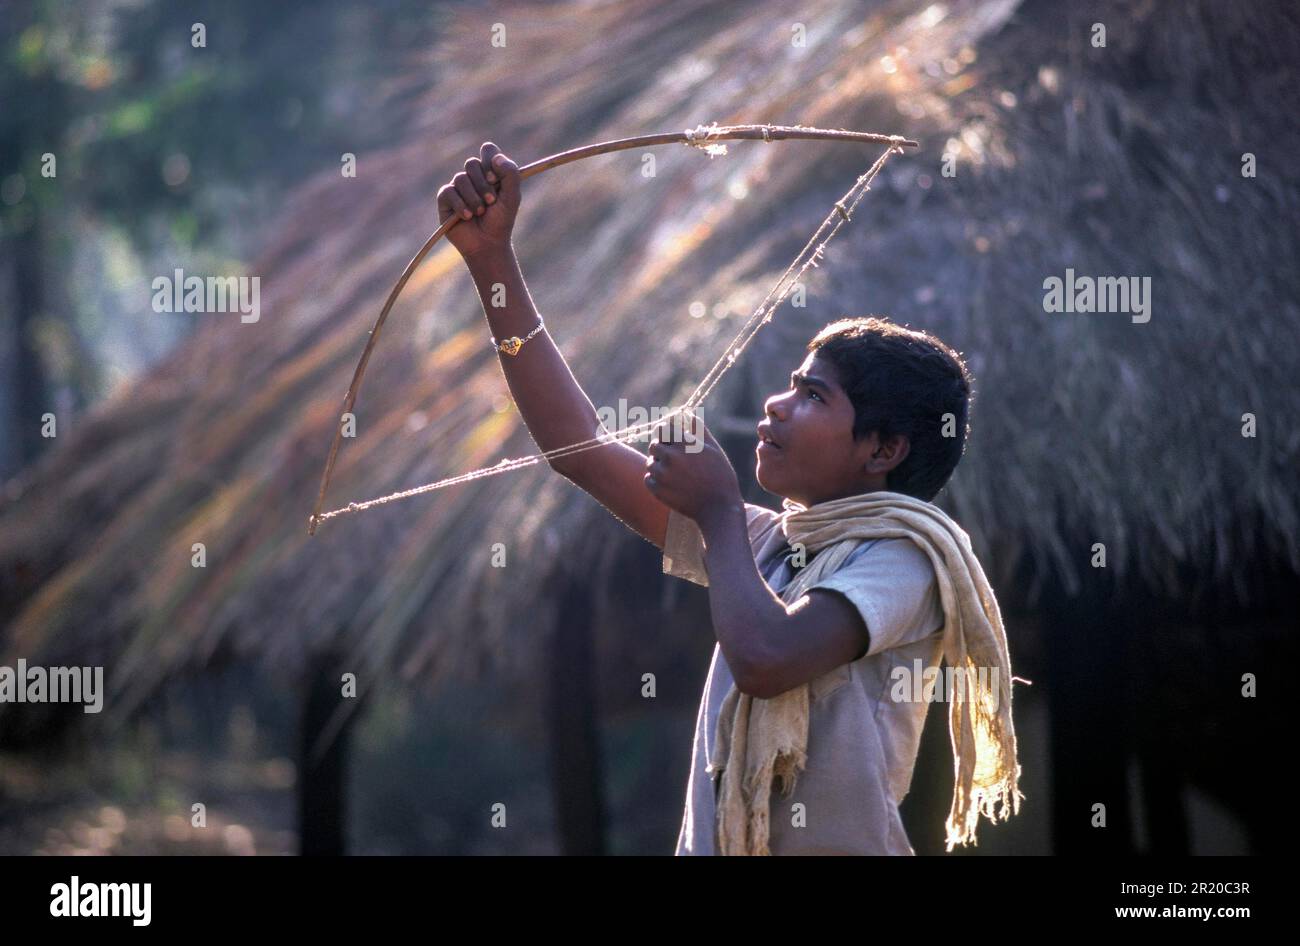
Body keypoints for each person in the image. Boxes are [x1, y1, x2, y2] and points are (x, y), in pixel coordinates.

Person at [437, 142, 1021, 855]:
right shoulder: (775, 543)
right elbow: (577, 447)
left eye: (812, 396)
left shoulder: (906, 562)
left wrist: (717, 511)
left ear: (883, 449)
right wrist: (491, 261)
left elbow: (768, 658)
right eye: (792, 384)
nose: (775, 405)